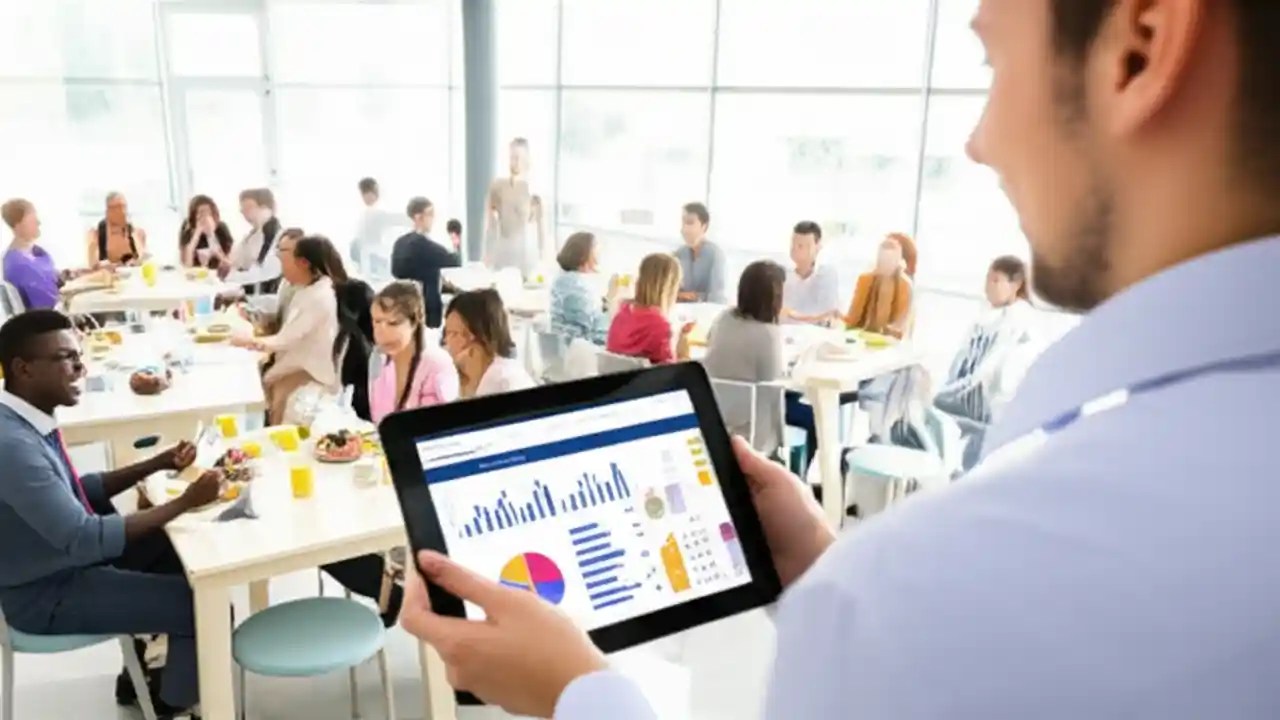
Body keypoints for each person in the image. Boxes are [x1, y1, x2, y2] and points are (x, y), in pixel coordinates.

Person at [395, 1, 1280, 717]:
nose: (978, 139)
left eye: (993, 63)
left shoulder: (954, 585)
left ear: (1141, 46)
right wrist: (834, 573)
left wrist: (577, 694)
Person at [0, 310, 223, 718]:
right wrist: (185, 500)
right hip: (46, 591)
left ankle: (141, 672)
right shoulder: (12, 445)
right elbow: (84, 536)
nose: (81, 368)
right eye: (67, 358)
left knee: (179, 548)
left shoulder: (23, 418)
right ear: (23, 368)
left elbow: (76, 492)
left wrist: (154, 464)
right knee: (201, 602)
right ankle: (171, 704)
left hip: (62, 560)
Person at [932, 255, 1036, 469]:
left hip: (986, 408)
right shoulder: (989, 315)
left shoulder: (1018, 320)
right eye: (988, 279)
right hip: (969, 400)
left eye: (996, 280)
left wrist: (944, 394)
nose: (988, 286)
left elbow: (988, 372)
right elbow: (962, 359)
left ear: (1016, 285)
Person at [232, 235, 338, 424]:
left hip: (308, 370)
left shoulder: (319, 297)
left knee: (266, 393)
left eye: (286, 260)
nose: (282, 267)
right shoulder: (304, 289)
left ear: (303, 263)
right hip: (294, 362)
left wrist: (247, 341)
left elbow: (285, 340)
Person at [702, 261, 787, 451]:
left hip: (714, 422)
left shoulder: (723, 319)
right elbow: (772, 387)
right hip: (752, 436)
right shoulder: (769, 335)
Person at [367, 281, 459, 423]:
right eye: (377, 321)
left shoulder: (437, 365)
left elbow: (437, 426)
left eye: (393, 323)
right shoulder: (379, 359)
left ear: (414, 323)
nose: (381, 332)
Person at [443, 289, 534, 398]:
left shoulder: (504, 382)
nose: (446, 341)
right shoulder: (463, 381)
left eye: (453, 333)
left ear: (475, 337)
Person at [606, 253, 692, 365]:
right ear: (670, 287)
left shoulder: (622, 313)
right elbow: (669, 373)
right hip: (644, 381)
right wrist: (682, 351)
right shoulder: (660, 326)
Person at [391, 196, 460, 329]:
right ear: (418, 217)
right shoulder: (421, 243)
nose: (433, 219)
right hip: (428, 310)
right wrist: (455, 238)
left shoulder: (400, 243)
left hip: (407, 306)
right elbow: (454, 260)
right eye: (430, 214)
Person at [484, 138, 547, 276]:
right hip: (502, 250)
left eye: (519, 158)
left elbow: (541, 226)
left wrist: (543, 256)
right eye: (512, 157)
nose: (515, 162)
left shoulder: (534, 189)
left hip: (525, 253)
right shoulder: (498, 186)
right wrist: (487, 253)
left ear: (527, 159)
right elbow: (490, 223)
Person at [549, 231, 620, 345]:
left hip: (571, 347)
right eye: (596, 247)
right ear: (584, 254)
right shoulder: (573, 284)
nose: (599, 252)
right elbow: (589, 334)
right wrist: (610, 302)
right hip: (580, 350)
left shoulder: (568, 280)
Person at [844, 234, 914, 338]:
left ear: (898, 261)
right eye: (883, 260)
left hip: (890, 343)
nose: (886, 265)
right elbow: (852, 317)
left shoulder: (905, 285)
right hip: (861, 338)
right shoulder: (865, 280)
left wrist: (891, 330)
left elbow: (902, 325)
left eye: (890, 260)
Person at [221, 187, 283, 295]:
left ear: (266, 208)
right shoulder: (250, 236)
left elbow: (265, 272)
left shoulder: (279, 237)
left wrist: (232, 276)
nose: (244, 212)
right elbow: (236, 261)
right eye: (242, 208)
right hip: (247, 290)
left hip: (266, 295)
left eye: (249, 207)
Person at [2, 198, 62, 310]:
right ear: (17, 225)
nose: (38, 223)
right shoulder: (18, 264)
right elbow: (45, 302)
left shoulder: (37, 253)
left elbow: (52, 279)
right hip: (46, 319)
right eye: (32, 219)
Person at [781, 221, 841, 325]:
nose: (795, 249)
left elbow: (829, 314)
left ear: (817, 247)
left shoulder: (826, 275)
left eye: (802, 246)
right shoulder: (781, 275)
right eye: (793, 244)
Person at [672, 202, 726, 303]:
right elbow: (668, 290)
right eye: (683, 223)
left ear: (704, 226)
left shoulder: (715, 255)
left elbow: (717, 296)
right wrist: (681, 295)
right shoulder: (679, 254)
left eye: (690, 223)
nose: (684, 229)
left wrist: (694, 296)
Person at [350, 177, 400, 272]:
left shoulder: (382, 212)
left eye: (367, 194)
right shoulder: (364, 213)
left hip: (379, 256)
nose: (364, 198)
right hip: (368, 255)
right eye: (363, 194)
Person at [85, 192, 147, 267]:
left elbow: (144, 259)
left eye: (124, 207)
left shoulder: (137, 233)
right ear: (108, 211)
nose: (123, 212)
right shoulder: (96, 234)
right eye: (117, 208)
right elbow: (93, 265)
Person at [178, 194, 235, 270]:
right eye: (201, 213)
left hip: (218, 275)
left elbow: (227, 262)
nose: (205, 217)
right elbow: (186, 264)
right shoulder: (187, 227)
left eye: (208, 212)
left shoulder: (221, 228)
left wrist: (211, 235)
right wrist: (197, 234)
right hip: (195, 275)